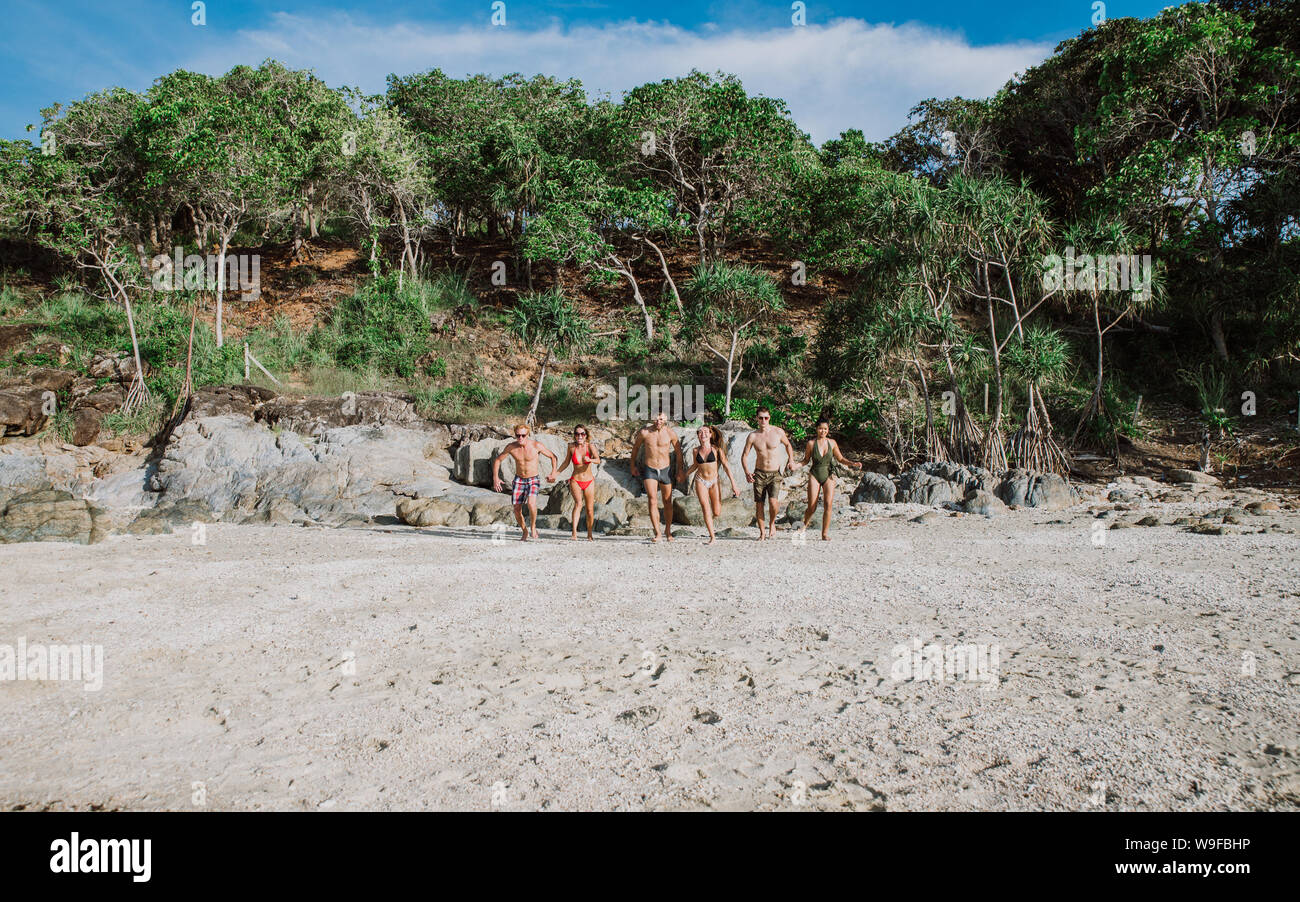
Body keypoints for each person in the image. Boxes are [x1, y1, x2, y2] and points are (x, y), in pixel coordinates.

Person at [797, 419, 862, 541]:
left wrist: (853, 463)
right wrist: (796, 465)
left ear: (828, 430)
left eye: (825, 429)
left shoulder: (832, 443)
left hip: (829, 474)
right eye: (821, 428)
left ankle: (824, 534)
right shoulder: (811, 444)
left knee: (828, 504)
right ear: (816, 429)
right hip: (815, 474)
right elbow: (805, 460)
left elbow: (840, 458)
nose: (823, 431)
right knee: (812, 506)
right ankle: (803, 526)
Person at [491, 424, 559, 541]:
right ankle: (524, 531)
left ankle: (533, 527)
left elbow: (553, 457)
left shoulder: (536, 446)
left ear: (528, 435)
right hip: (519, 480)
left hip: (533, 479)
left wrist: (553, 473)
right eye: (518, 435)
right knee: (517, 509)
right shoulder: (511, 447)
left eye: (523, 435)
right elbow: (498, 460)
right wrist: (495, 478)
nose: (520, 438)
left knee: (531, 504)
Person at [741, 407, 800, 540]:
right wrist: (746, 472)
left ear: (769, 418)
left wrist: (791, 460)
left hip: (775, 474)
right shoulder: (753, 436)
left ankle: (772, 523)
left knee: (773, 503)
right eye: (760, 418)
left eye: (766, 418)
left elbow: (788, 445)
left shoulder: (778, 432)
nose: (763, 420)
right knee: (759, 504)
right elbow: (744, 456)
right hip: (759, 474)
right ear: (757, 418)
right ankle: (762, 533)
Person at [629, 411, 684, 543]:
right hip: (650, 470)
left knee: (667, 502)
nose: (658, 421)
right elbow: (635, 449)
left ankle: (668, 531)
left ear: (665, 419)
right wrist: (632, 466)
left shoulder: (670, 433)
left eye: (661, 419)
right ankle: (658, 532)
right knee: (652, 500)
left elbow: (678, 452)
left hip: (665, 470)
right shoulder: (645, 433)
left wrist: (680, 470)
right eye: (656, 419)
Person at [684, 425, 740, 545]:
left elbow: (726, 466)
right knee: (705, 507)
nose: (703, 434)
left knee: (717, 512)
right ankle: (712, 536)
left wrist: (734, 484)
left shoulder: (716, 449)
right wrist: (684, 474)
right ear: (698, 435)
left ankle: (710, 520)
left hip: (714, 481)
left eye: (705, 432)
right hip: (700, 480)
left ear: (710, 435)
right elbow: (695, 466)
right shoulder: (695, 450)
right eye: (700, 432)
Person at [549, 425, 601, 541]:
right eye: (577, 434)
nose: (580, 436)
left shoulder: (590, 446)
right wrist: (555, 474)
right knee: (578, 504)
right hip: (575, 480)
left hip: (589, 481)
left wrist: (590, 460)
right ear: (574, 435)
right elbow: (566, 462)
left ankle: (589, 533)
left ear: (586, 435)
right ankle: (574, 533)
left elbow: (598, 460)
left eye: (582, 434)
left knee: (589, 509)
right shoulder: (571, 447)